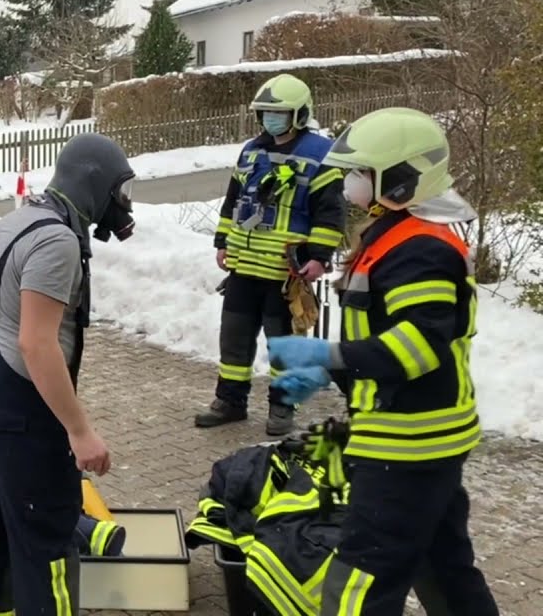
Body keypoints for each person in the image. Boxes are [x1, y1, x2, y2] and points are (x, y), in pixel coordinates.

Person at [266, 107, 499, 616]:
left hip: (409, 442)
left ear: (400, 179)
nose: (350, 182)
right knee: (444, 568)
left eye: (361, 172)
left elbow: (418, 347)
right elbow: (381, 333)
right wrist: (332, 368)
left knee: (360, 582)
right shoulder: (398, 234)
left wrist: (328, 353)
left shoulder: (420, 249)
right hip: (419, 436)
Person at [0, 132, 136, 616]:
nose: (123, 203)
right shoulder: (57, 241)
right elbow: (35, 343)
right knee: (45, 536)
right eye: (119, 190)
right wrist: (80, 431)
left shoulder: (10, 221)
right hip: (20, 400)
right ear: (93, 182)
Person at [195, 73, 346, 436]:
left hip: (285, 272)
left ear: (300, 114)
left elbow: (330, 212)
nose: (270, 119)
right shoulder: (251, 150)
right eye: (264, 113)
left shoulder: (321, 154)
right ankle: (230, 402)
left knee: (284, 346)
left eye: (278, 113)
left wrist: (318, 256)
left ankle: (282, 408)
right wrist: (222, 242)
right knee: (234, 340)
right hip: (244, 268)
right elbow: (233, 201)